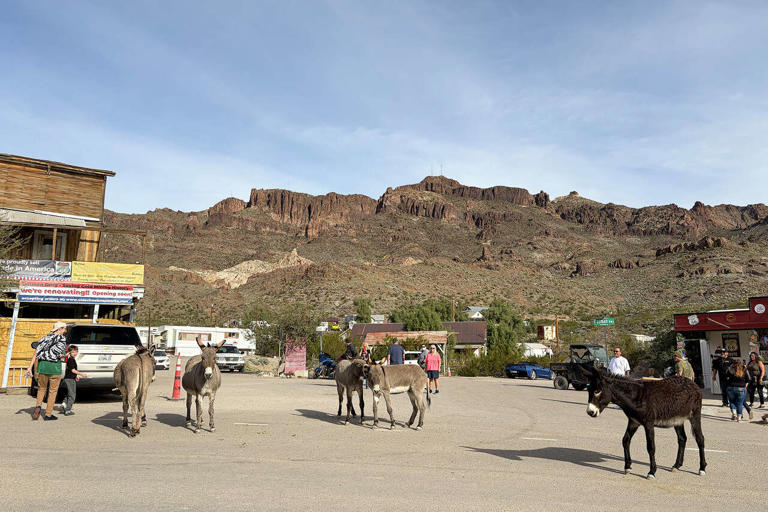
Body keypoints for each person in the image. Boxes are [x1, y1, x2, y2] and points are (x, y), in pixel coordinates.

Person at [25, 321, 68, 421]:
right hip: (54, 368)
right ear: (60, 329)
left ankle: (38, 406)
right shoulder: (61, 339)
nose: (65, 331)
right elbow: (59, 354)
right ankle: (48, 414)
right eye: (64, 329)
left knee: (41, 389)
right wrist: (66, 355)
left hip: (42, 367)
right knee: (52, 391)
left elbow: (36, 353)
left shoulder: (45, 338)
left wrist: (29, 368)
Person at [61, 345, 87, 416]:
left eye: (76, 352)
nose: (75, 353)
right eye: (73, 352)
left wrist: (76, 376)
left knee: (69, 393)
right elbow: (73, 370)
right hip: (70, 380)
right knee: (72, 395)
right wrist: (81, 374)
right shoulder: (71, 360)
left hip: (69, 378)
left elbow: (71, 370)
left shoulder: (71, 359)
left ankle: (64, 404)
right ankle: (68, 410)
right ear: (69, 352)